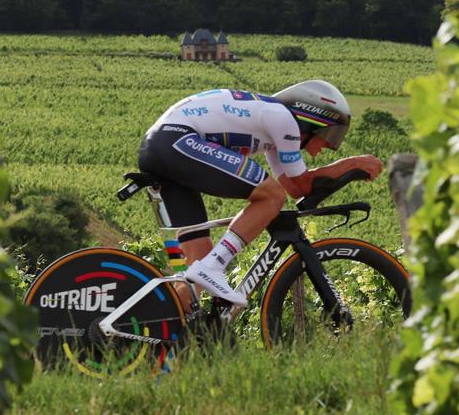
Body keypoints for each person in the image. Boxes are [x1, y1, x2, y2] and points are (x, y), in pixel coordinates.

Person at [135, 80, 383, 307]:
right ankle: (215, 265)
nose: (322, 150)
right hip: (176, 140)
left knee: (197, 262)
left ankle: (162, 329)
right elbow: (297, 186)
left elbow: (297, 189)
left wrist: (345, 174)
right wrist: (351, 164)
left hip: (163, 145)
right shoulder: (284, 120)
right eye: (329, 136)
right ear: (311, 119)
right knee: (271, 195)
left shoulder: (272, 132)